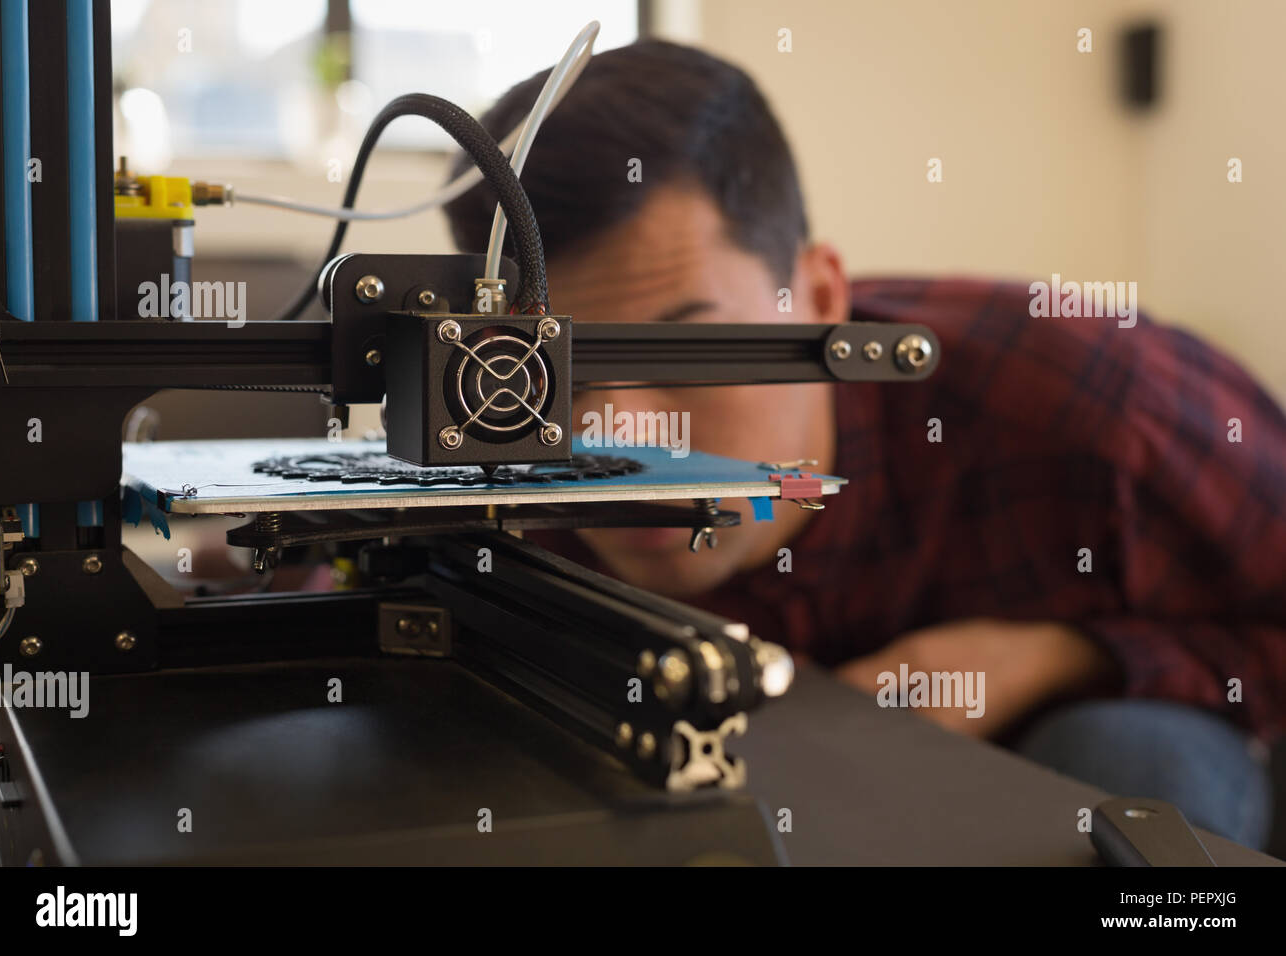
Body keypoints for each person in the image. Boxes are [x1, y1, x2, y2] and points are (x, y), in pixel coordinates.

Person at [443, 40, 1285, 850]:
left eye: (682, 348)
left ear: (819, 295)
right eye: (552, 367)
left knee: (1133, 760)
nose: (614, 438)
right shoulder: (483, 469)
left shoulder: (1088, 403)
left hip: (1087, 746)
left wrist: (1060, 657)